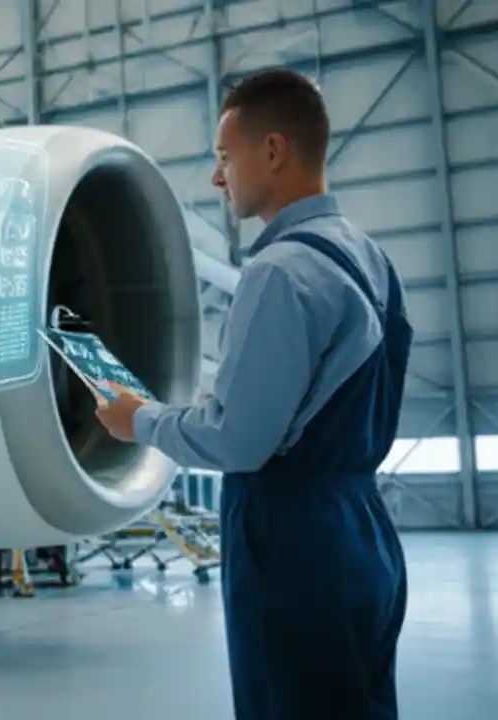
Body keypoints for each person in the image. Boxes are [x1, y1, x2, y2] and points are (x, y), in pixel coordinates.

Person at [93, 67, 412, 720]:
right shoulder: (372, 260)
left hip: (293, 544)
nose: (217, 178)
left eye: (224, 157)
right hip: (364, 533)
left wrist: (140, 421)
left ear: (272, 151)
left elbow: (238, 439)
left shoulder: (278, 273)